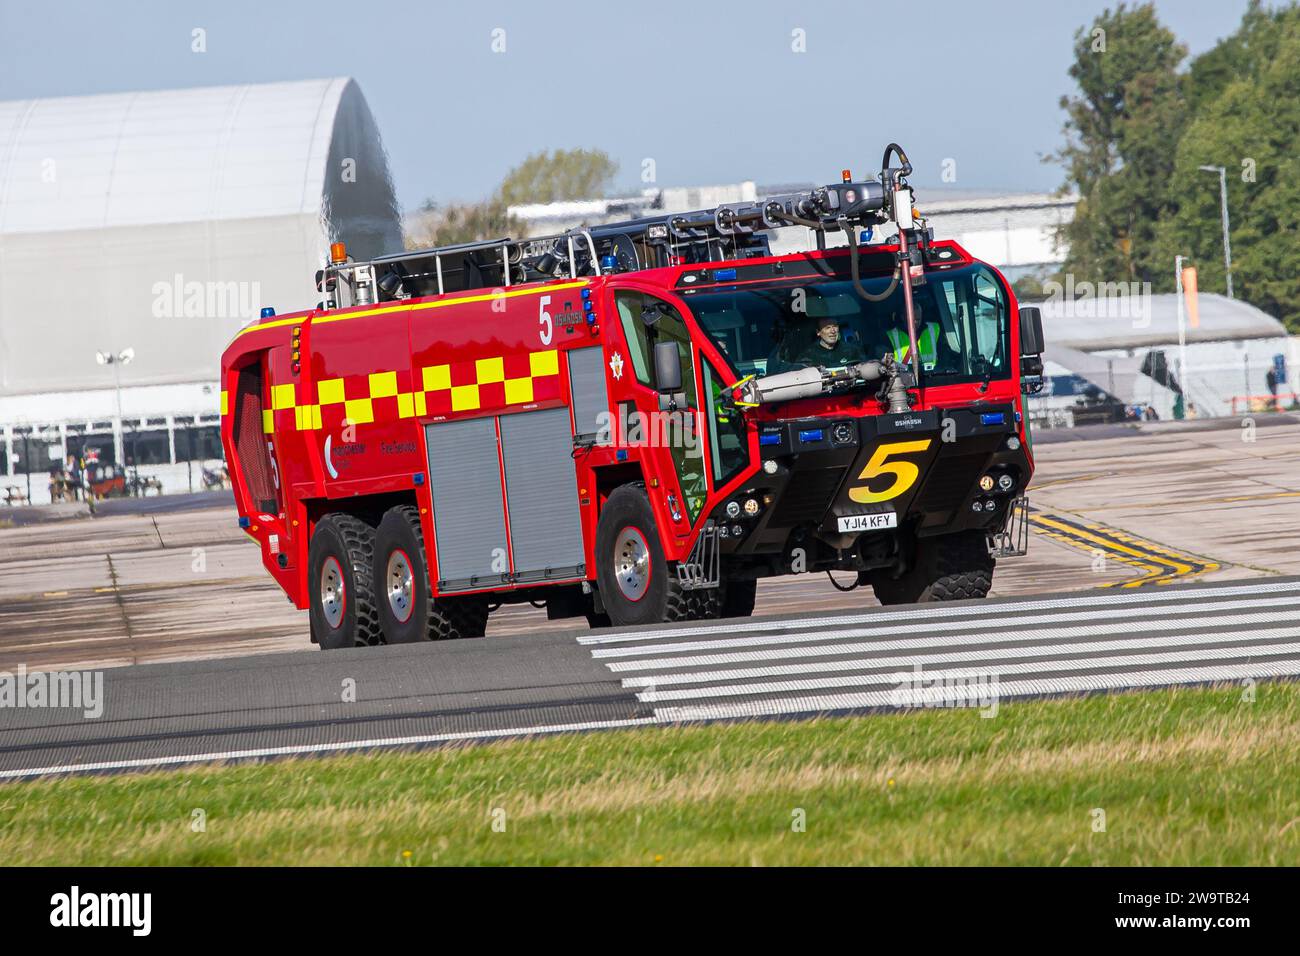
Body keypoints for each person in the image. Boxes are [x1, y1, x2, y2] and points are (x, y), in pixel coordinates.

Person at [797, 315, 868, 369]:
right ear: (818, 332)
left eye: (835, 326)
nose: (833, 331)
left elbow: (866, 369)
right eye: (828, 328)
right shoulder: (808, 355)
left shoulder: (852, 350)